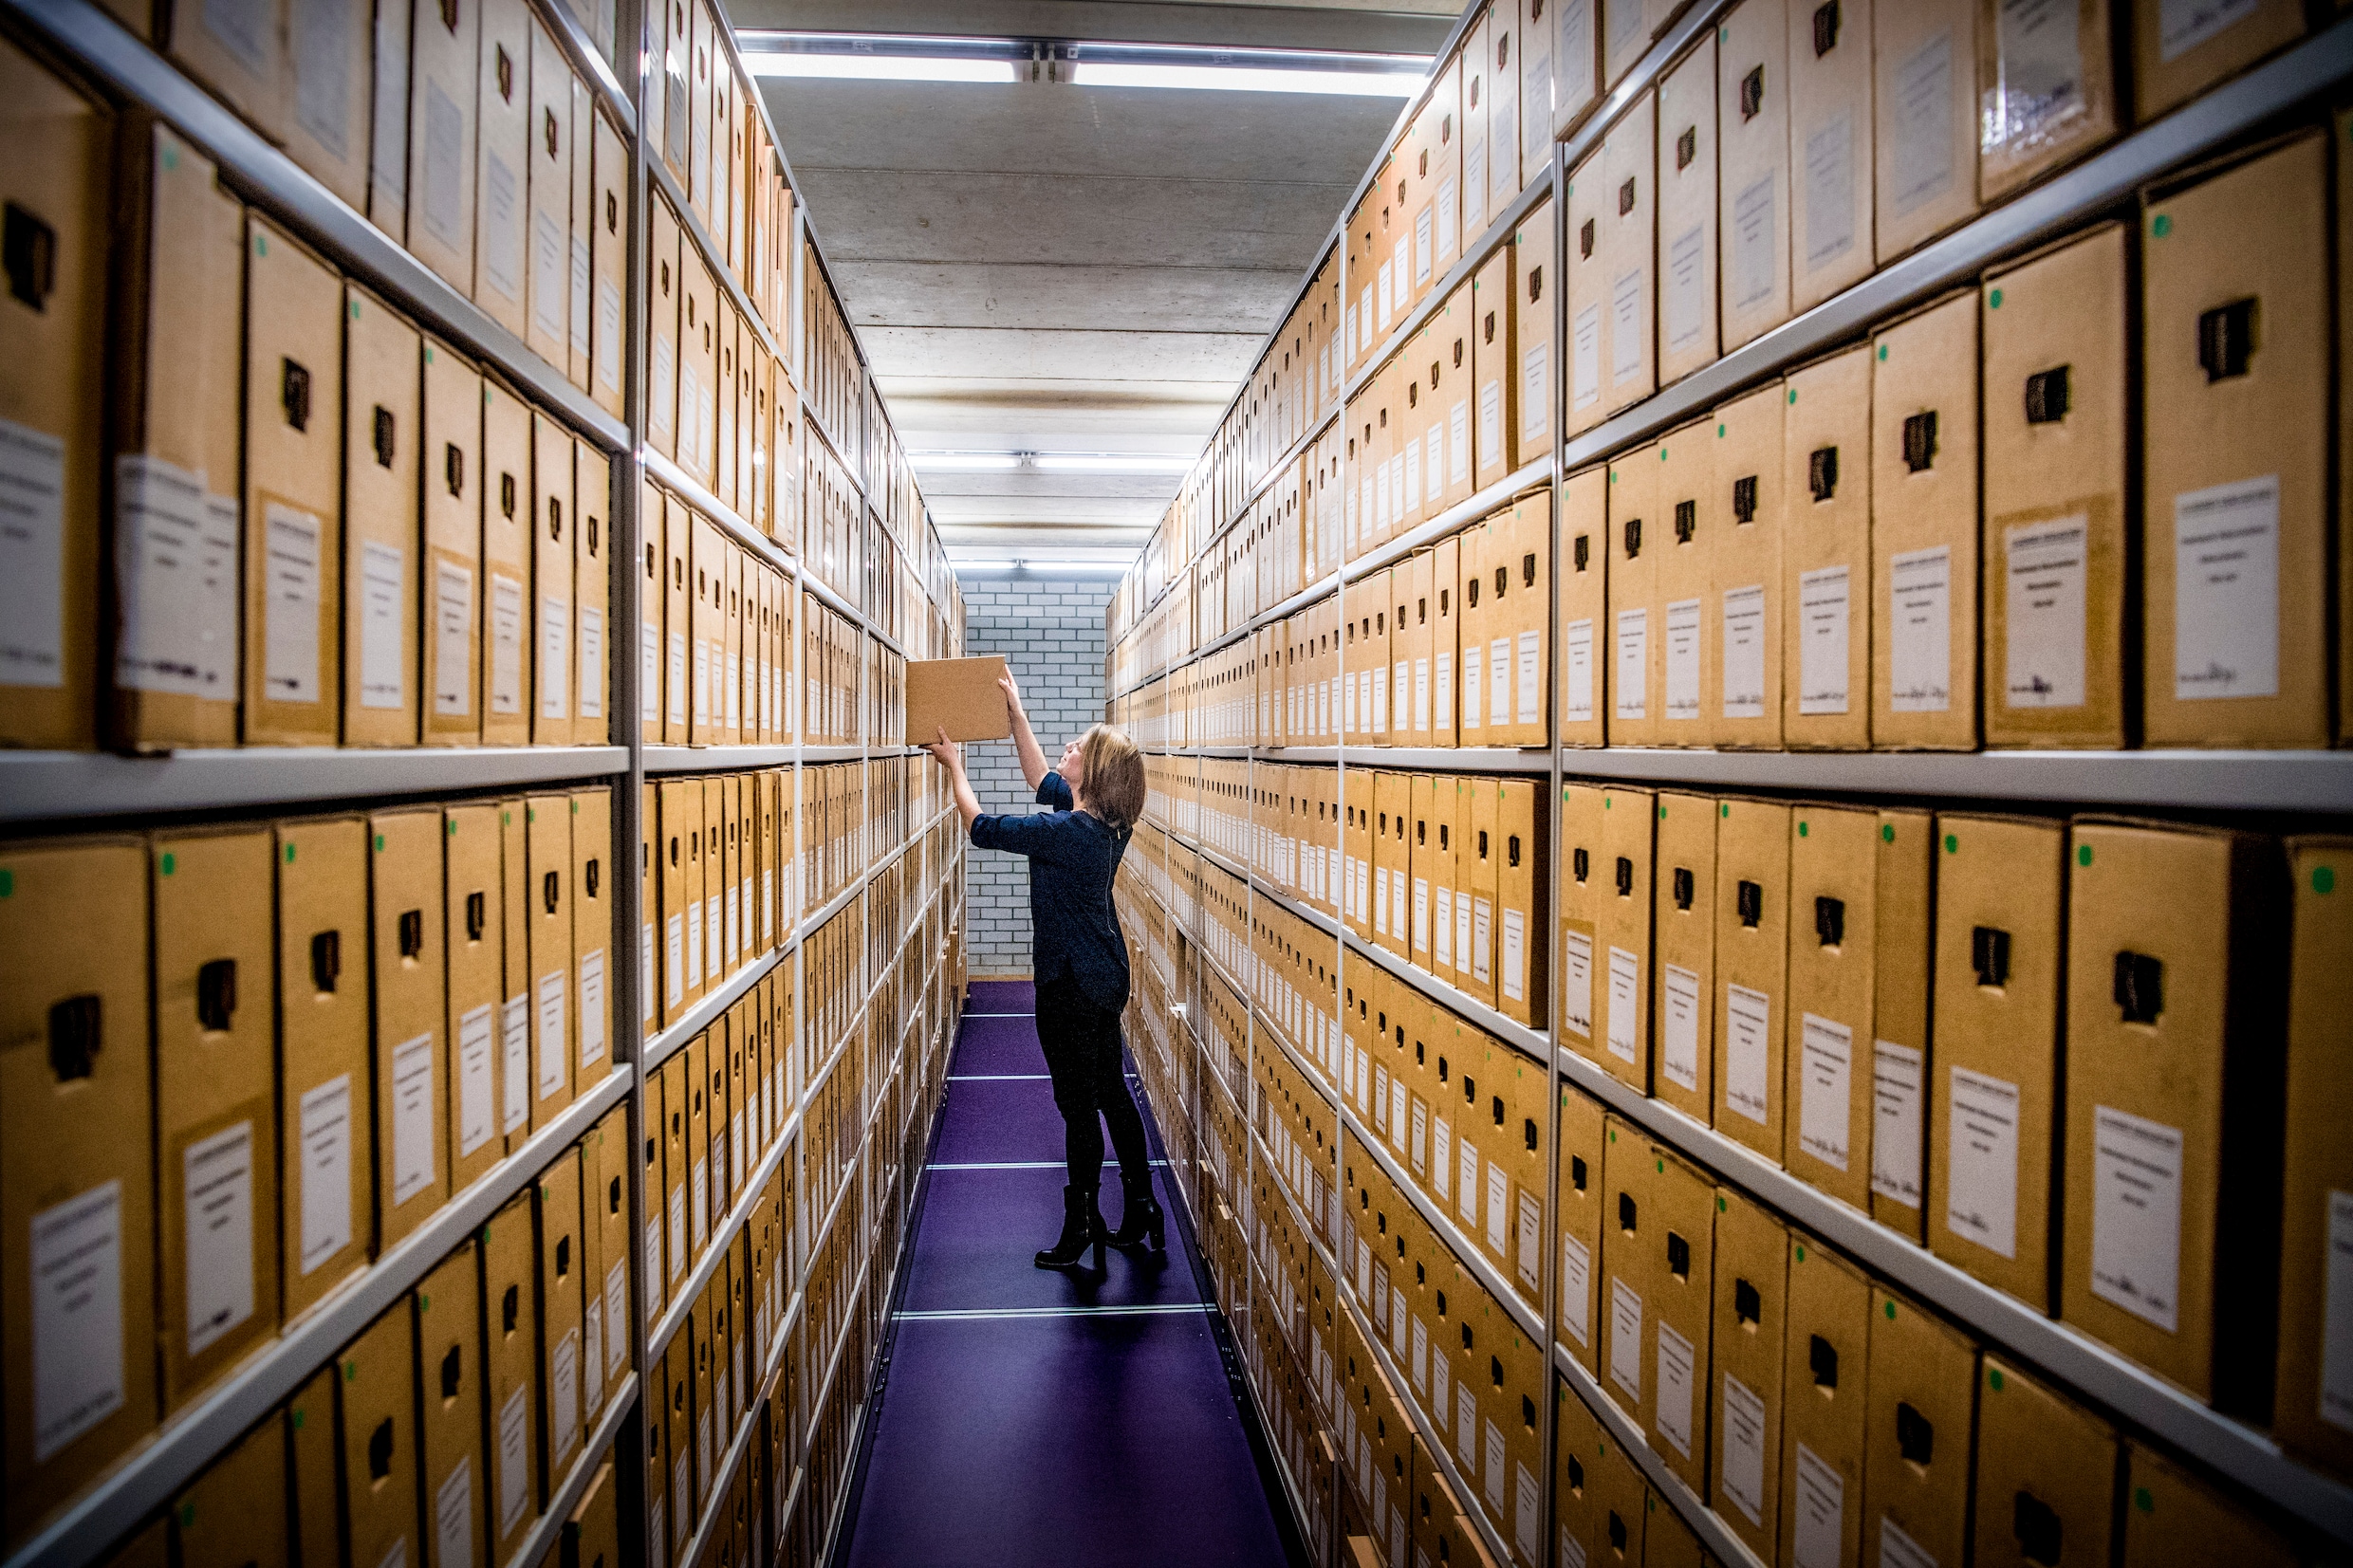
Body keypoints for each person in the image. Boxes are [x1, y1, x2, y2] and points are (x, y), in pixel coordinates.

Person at [922, 672, 1162, 1269]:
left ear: (1094, 776)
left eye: (1080, 748)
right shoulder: (1104, 824)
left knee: (1078, 1108)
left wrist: (955, 766)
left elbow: (981, 828)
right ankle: (1142, 1206)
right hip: (1104, 975)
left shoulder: (1067, 834)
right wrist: (1017, 714)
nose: (1070, 747)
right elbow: (1041, 780)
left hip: (1070, 984)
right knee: (1111, 1092)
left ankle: (1081, 1224)